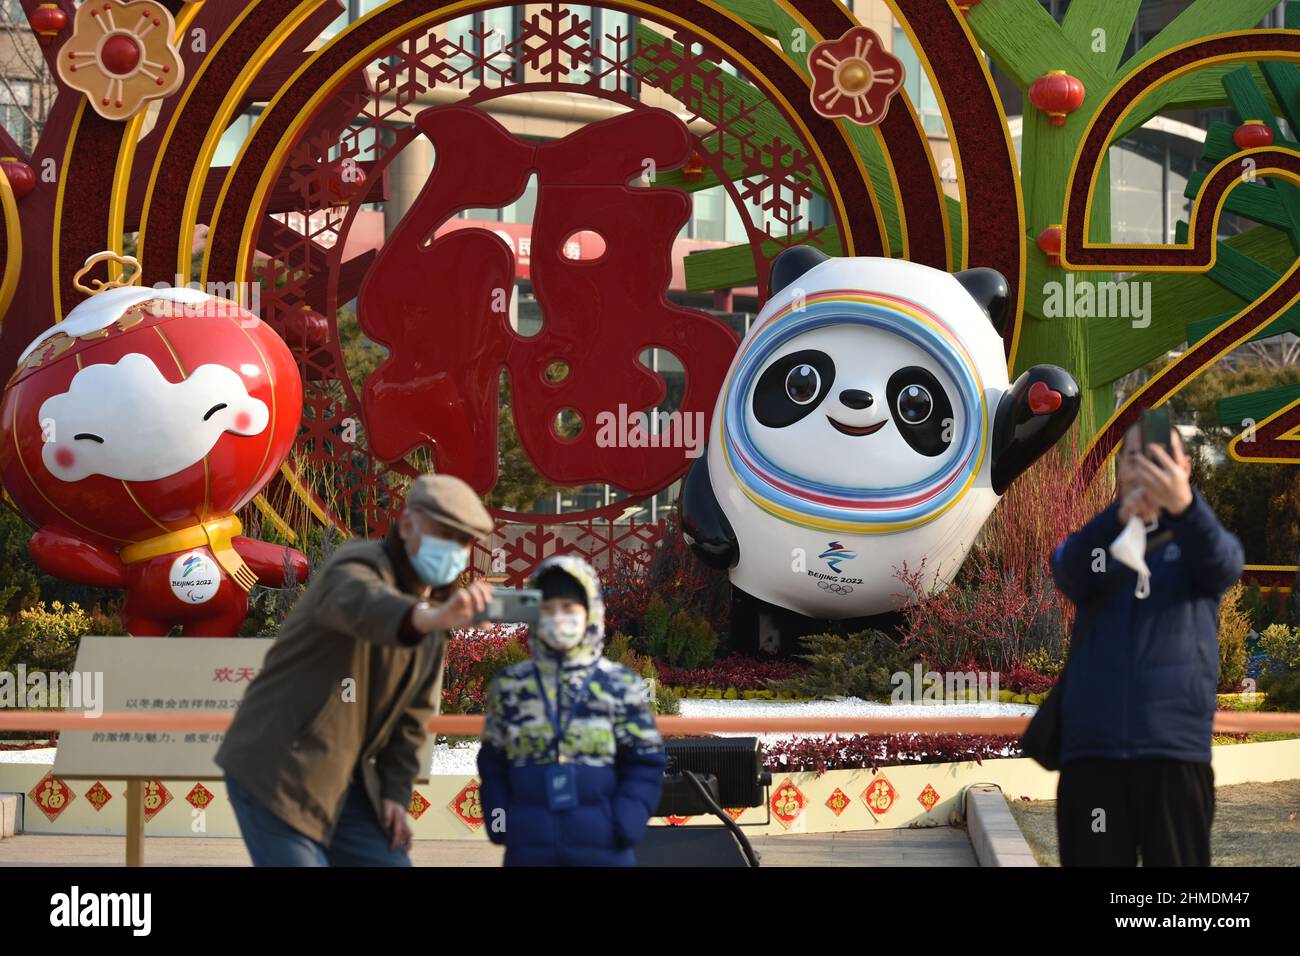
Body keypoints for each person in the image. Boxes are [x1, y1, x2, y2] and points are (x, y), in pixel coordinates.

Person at [215, 474, 496, 866]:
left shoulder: (436, 617)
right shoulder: (357, 564)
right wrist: (429, 617)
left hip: (347, 785)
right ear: (409, 524)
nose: (454, 550)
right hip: (276, 768)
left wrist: (396, 797)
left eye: (463, 541)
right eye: (444, 534)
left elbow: (413, 719)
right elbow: (365, 605)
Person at [1050, 421, 1243, 866]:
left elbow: (1225, 565)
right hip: (1093, 755)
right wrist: (1118, 517)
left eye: (1160, 458)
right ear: (1119, 470)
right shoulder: (1102, 537)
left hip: (1173, 753)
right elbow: (1068, 572)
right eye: (1135, 457)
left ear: (1185, 468)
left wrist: (1185, 508)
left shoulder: (1198, 538)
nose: (1146, 468)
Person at [477, 554, 666, 866]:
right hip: (529, 847)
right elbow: (493, 761)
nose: (558, 618)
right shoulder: (511, 687)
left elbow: (645, 761)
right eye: (548, 609)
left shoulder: (619, 685)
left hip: (604, 846)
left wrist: (626, 820)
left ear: (589, 612)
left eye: (568, 608)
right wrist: (501, 818)